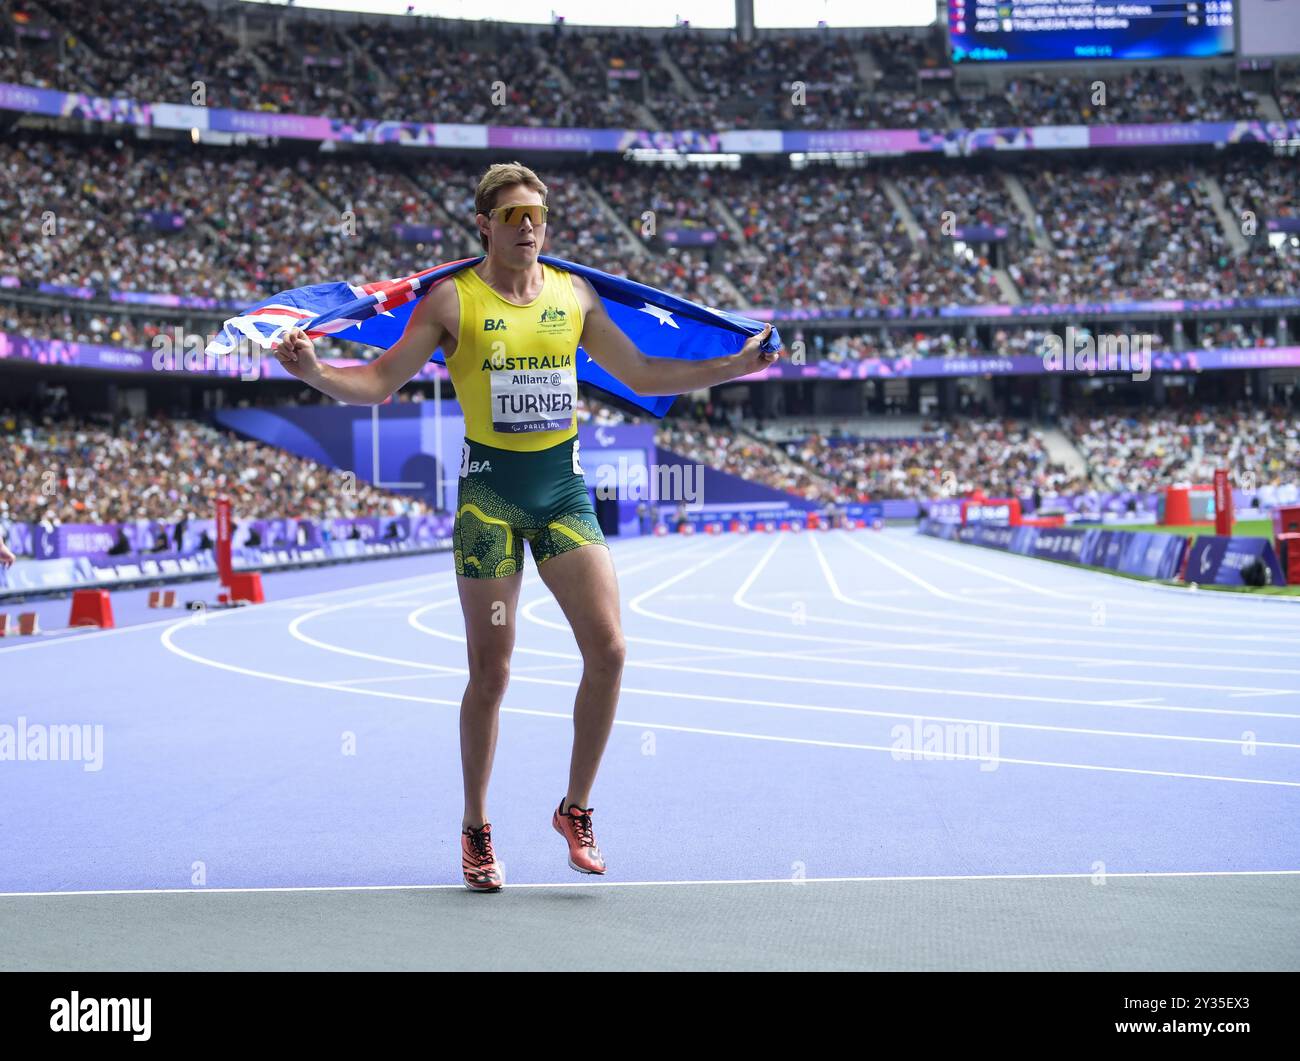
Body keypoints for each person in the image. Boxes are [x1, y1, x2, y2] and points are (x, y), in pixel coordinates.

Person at [272, 161, 781, 891]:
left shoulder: (575, 296)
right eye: (512, 216)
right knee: (493, 672)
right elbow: (381, 381)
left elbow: (639, 373)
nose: (527, 227)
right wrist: (317, 373)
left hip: (562, 496)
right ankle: (476, 827)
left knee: (609, 649)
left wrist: (734, 367)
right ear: (485, 224)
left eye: (536, 216)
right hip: (490, 503)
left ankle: (575, 809)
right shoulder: (452, 301)